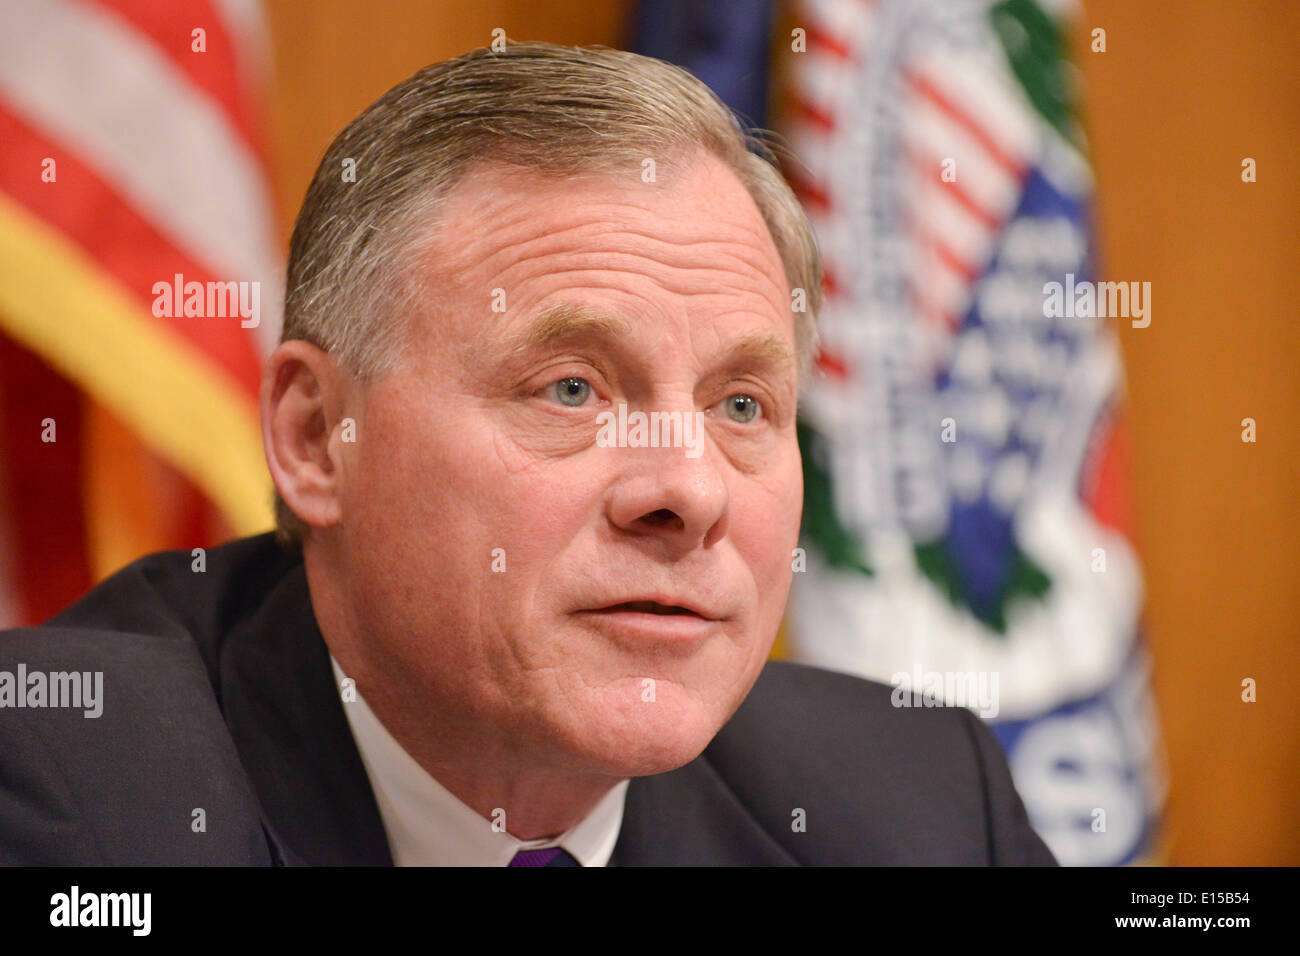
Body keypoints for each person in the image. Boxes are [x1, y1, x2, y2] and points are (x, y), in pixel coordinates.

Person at [0, 41, 1055, 866]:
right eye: (571, 389)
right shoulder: (73, 784)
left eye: (742, 403)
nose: (688, 490)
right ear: (316, 437)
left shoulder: (919, 801)